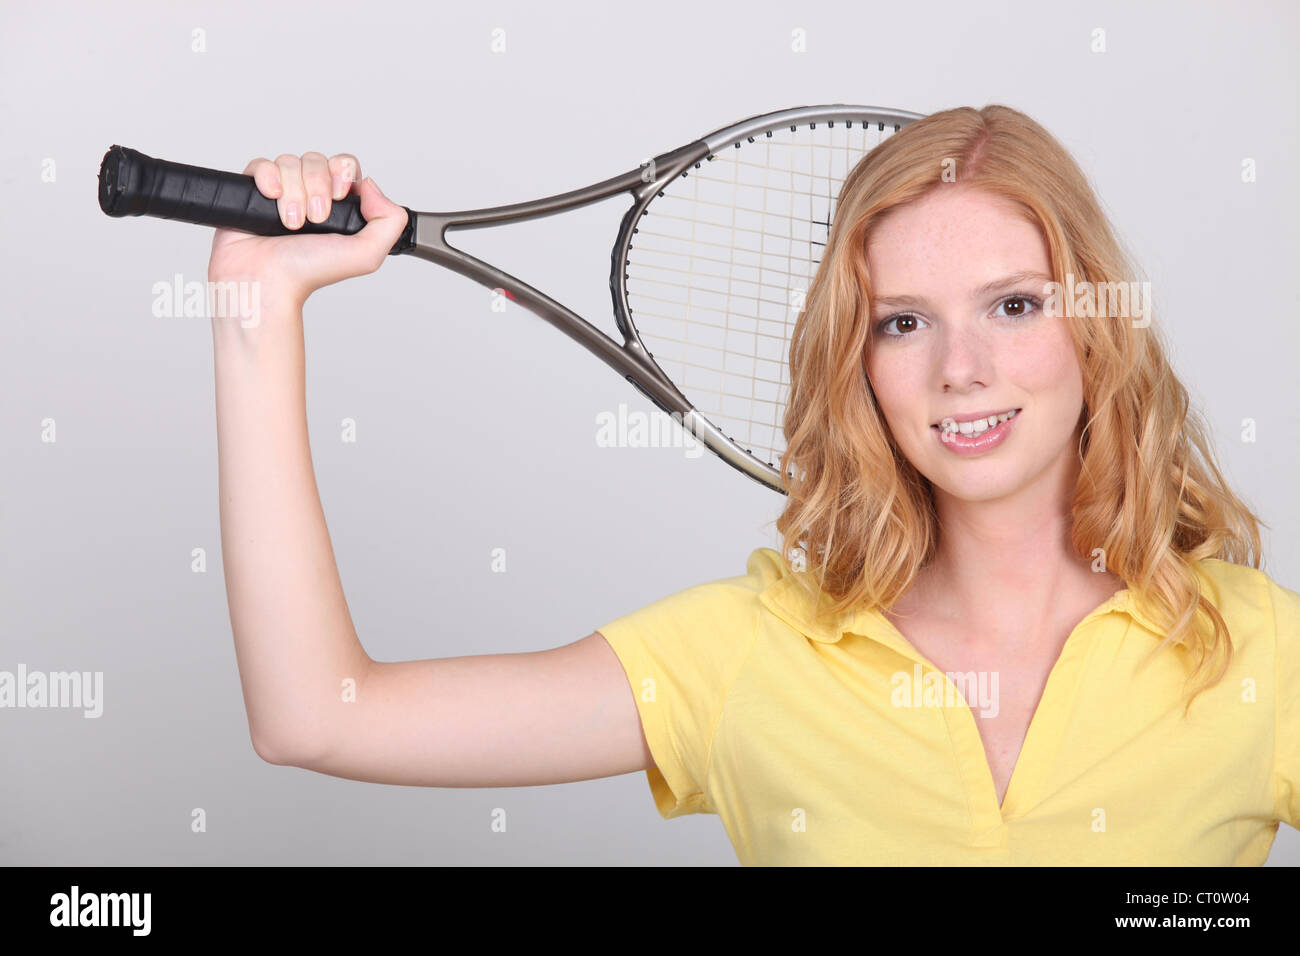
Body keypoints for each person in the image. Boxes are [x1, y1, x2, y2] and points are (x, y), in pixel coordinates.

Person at [206, 106, 1300, 865]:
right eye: (901, 321)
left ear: (1096, 330)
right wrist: (255, 314)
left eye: (1013, 304)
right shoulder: (748, 651)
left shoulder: (1257, 652)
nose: (959, 366)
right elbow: (316, 715)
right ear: (856, 360)